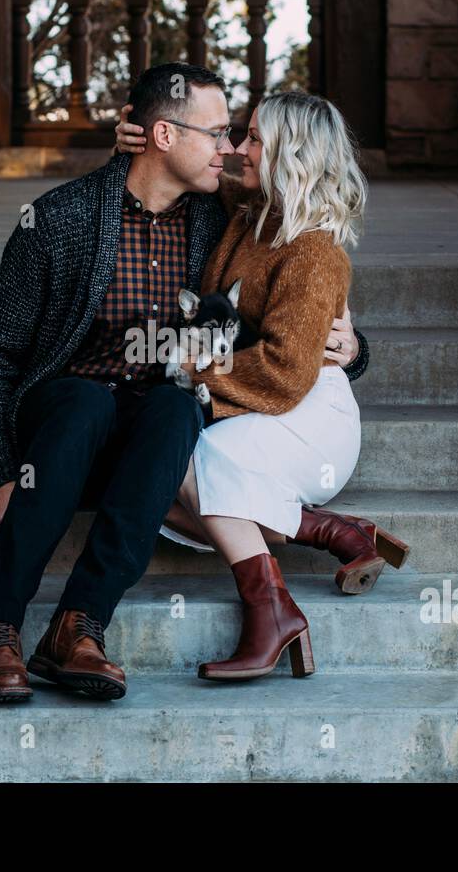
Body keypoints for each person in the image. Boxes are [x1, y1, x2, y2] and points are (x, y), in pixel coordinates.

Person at [0, 63, 370, 704]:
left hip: (154, 424)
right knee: (88, 401)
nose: (232, 149)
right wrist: (3, 470)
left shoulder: (217, 216)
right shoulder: (62, 219)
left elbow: (295, 284)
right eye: (219, 133)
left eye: (241, 136)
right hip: (68, 414)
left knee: (176, 412)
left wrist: (353, 347)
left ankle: (79, 628)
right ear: (165, 138)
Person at [115, 92, 410, 683]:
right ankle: (327, 533)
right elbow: (190, 161)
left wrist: (186, 374)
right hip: (261, 404)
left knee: (179, 460)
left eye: (251, 138)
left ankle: (270, 609)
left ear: (290, 153)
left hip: (306, 418)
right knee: (161, 477)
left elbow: (282, 371)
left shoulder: (313, 251)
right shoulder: (253, 215)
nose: (234, 148)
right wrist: (144, 138)